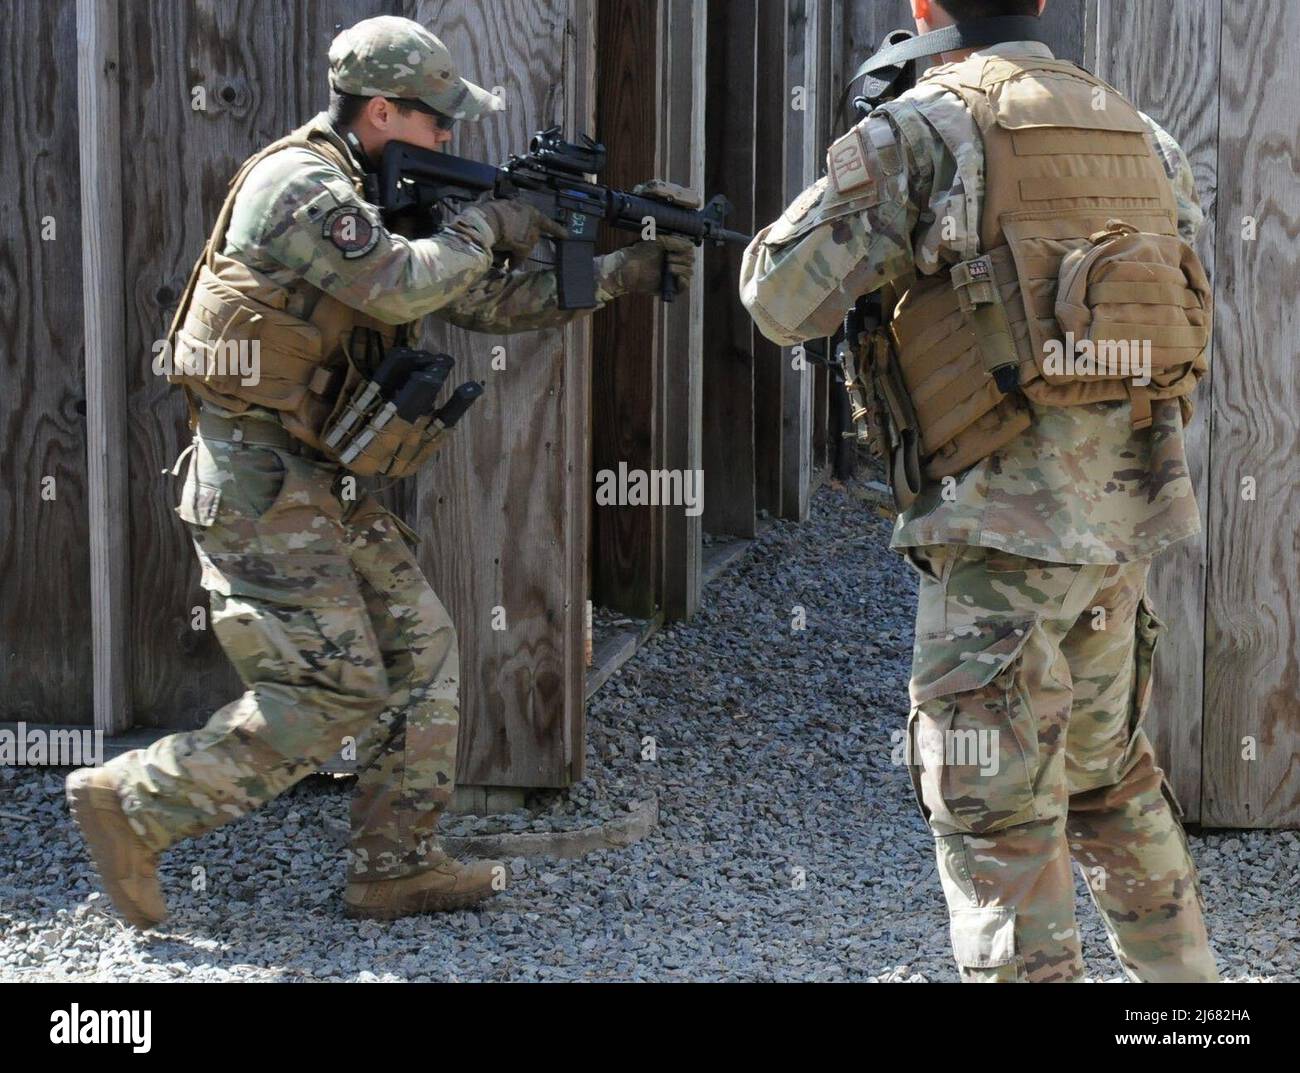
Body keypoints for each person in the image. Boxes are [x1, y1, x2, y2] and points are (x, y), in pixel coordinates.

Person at [66, 15, 694, 927]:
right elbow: (404, 284)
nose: (448, 136)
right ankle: (134, 803)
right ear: (383, 111)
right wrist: (493, 221)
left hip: (322, 475)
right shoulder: (301, 186)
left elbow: (475, 299)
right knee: (326, 694)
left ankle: (393, 864)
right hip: (258, 484)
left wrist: (620, 266)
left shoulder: (377, 193)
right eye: (436, 120)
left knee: (423, 651)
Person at [740, 0, 1219, 982]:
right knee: (1106, 782)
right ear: (1041, 3)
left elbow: (779, 294)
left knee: (994, 808)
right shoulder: (1138, 131)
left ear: (923, 8)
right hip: (1121, 524)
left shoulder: (922, 127)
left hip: (998, 528)